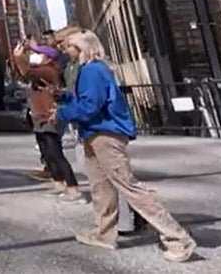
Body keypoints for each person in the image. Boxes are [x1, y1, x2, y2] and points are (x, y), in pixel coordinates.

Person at [48, 31, 196, 263]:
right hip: (94, 133)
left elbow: (90, 107)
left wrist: (62, 112)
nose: (65, 50)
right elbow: (89, 101)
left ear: (81, 48)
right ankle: (105, 234)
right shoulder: (92, 70)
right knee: (100, 186)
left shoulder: (92, 70)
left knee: (128, 186)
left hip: (105, 134)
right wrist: (66, 100)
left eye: (69, 46)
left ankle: (178, 238)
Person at [12, 39, 83, 203]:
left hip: (49, 115)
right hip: (39, 116)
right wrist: (20, 55)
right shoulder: (40, 70)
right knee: (47, 153)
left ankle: (73, 188)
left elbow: (27, 73)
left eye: (39, 54)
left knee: (56, 153)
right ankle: (58, 183)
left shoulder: (49, 71)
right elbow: (23, 73)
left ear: (49, 58)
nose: (35, 57)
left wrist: (19, 56)